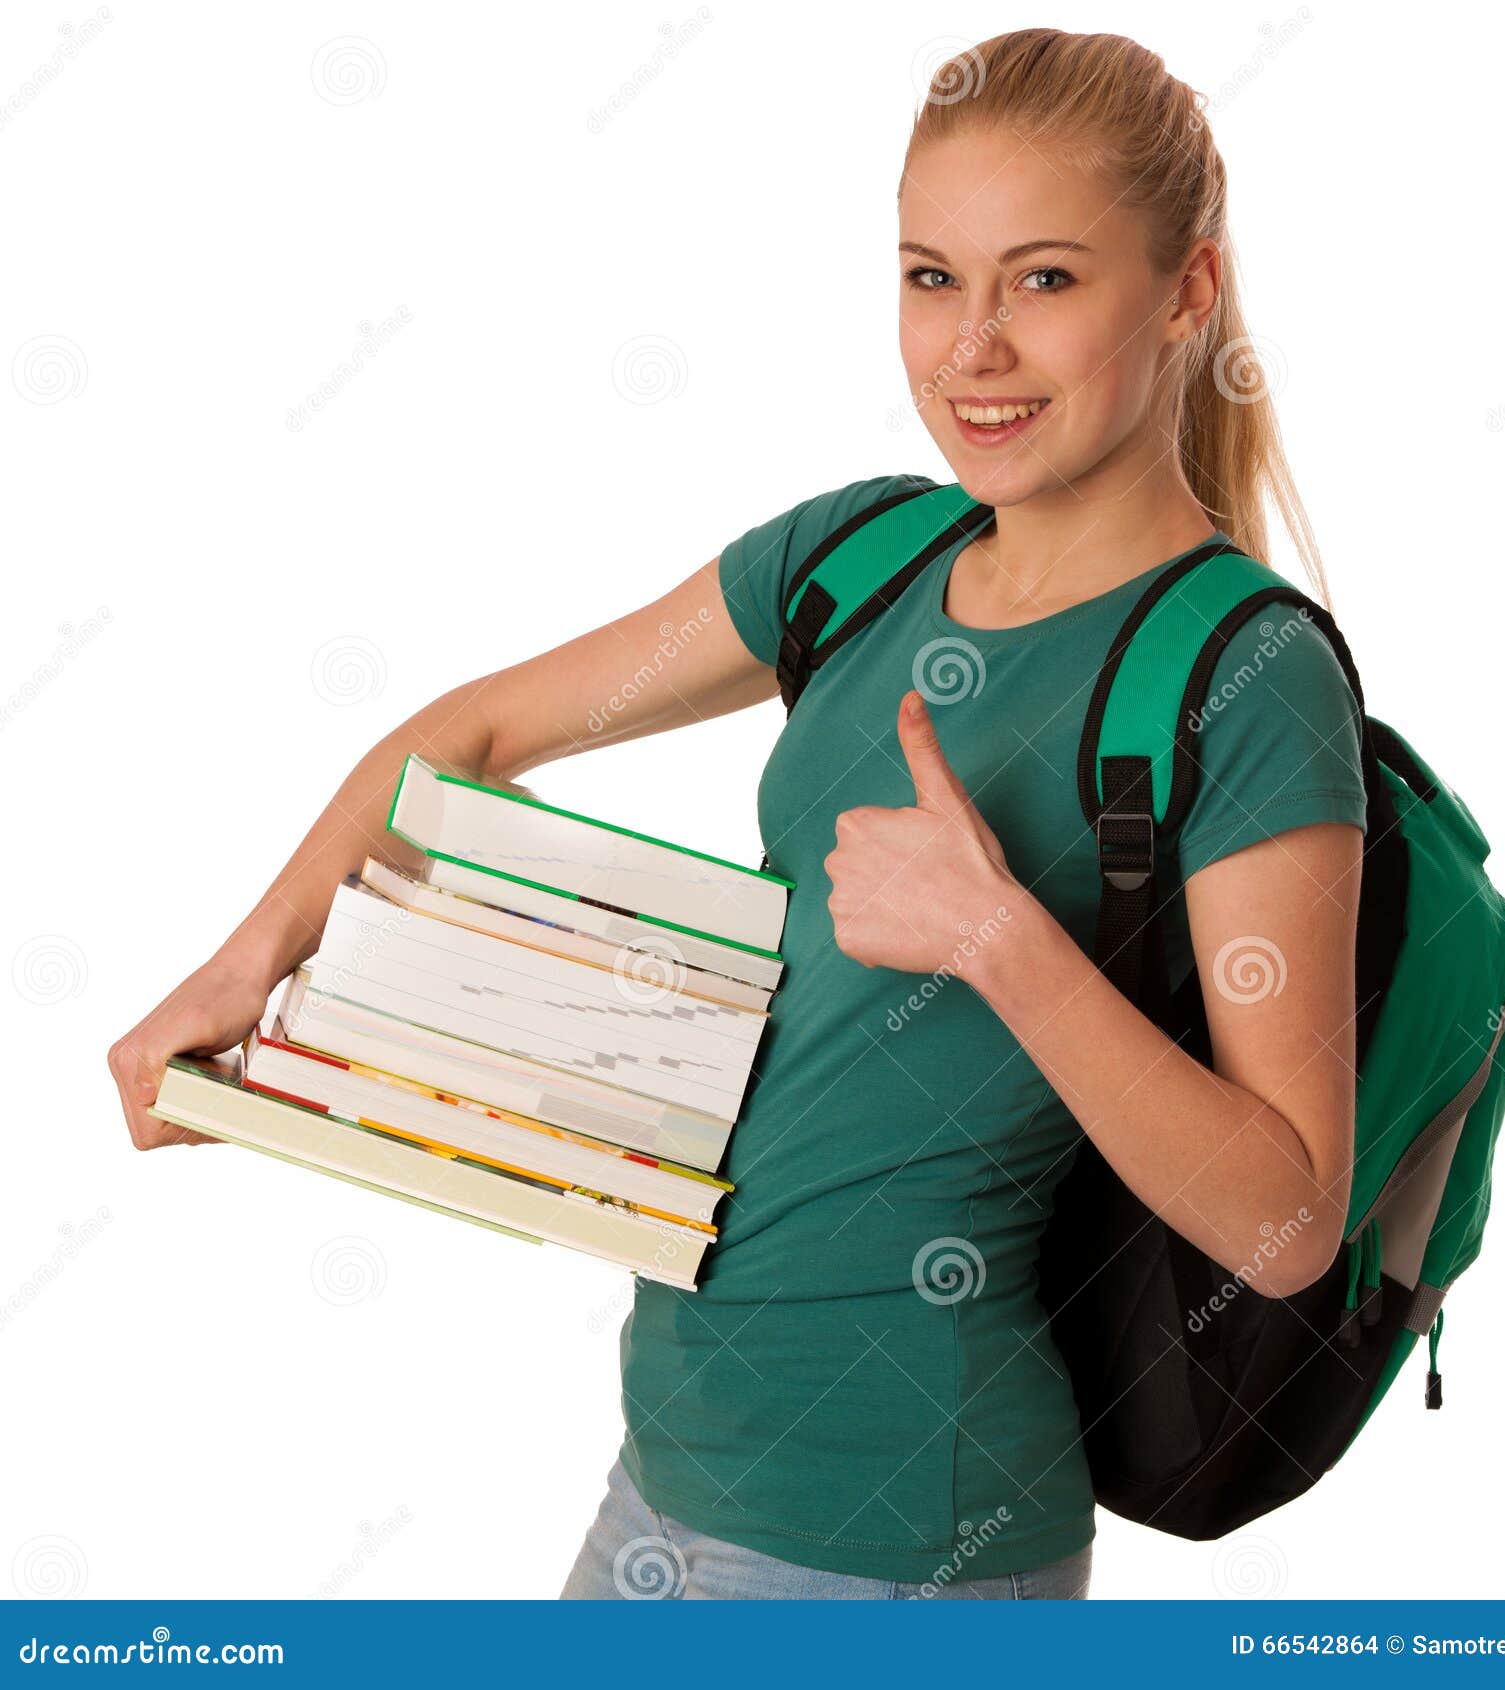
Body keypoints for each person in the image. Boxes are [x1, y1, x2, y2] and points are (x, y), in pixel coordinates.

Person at [108, 29, 1367, 1600]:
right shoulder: (856, 561)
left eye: (1044, 281)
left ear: (1187, 290)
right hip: (668, 1472)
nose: (972, 345)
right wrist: (247, 970)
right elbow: (477, 731)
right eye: (929, 277)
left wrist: (997, 936)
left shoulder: (1241, 669)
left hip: (910, 1536)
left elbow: (1290, 1216)